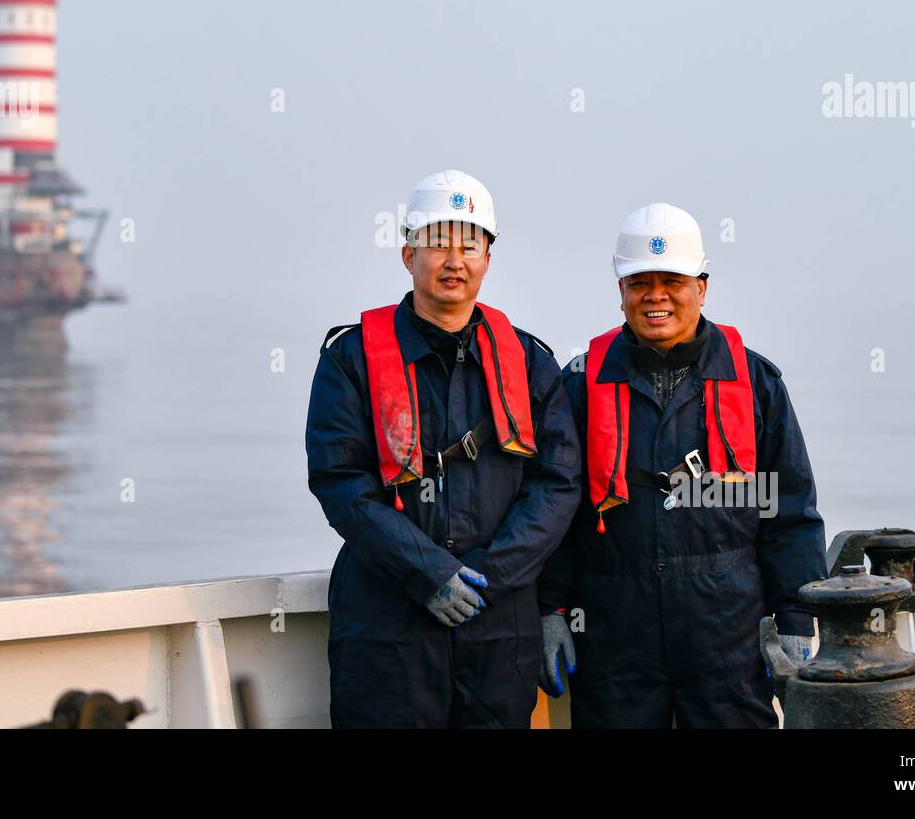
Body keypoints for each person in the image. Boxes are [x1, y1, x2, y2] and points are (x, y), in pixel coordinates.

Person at [307, 169, 581, 728]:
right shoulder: (350, 358)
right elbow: (340, 480)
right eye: (437, 243)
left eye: (469, 245)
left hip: (499, 624)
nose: (454, 260)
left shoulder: (531, 362)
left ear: (488, 259)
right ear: (408, 255)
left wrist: (490, 576)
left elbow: (558, 483)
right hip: (386, 621)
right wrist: (427, 571)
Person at [537, 202, 826, 728]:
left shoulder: (756, 383)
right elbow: (555, 508)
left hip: (730, 633)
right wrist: (550, 610)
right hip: (612, 634)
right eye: (639, 282)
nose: (656, 296)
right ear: (620, 290)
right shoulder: (578, 385)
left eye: (672, 281)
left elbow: (790, 511)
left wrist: (797, 614)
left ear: (702, 287)